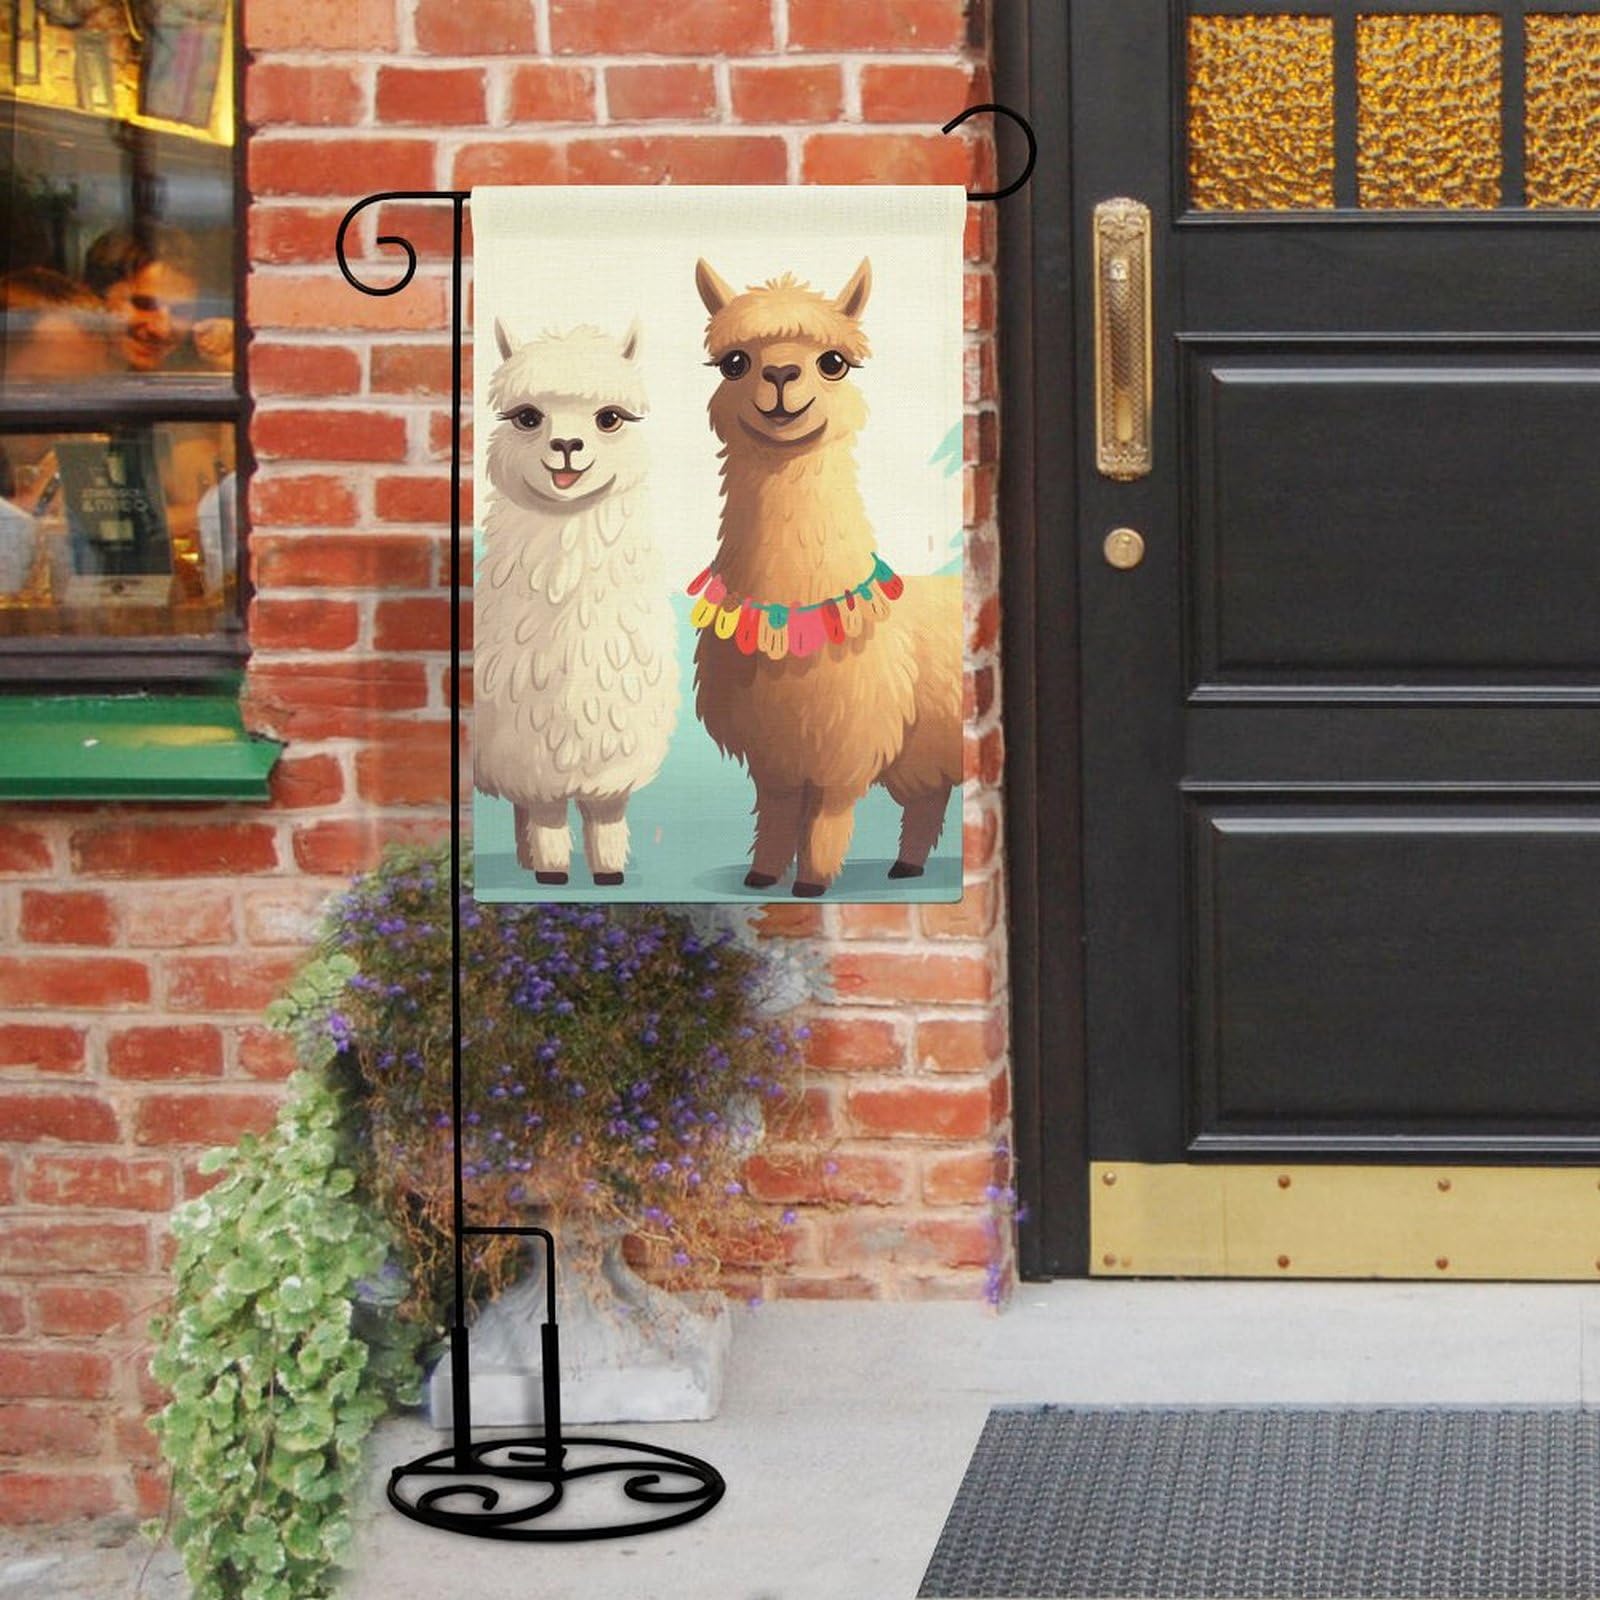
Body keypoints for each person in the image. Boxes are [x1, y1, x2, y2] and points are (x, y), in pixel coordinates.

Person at [82, 226, 217, 374]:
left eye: (180, 311)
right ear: (96, 299)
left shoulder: (203, 374)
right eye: (145, 305)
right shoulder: (67, 378)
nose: (162, 330)